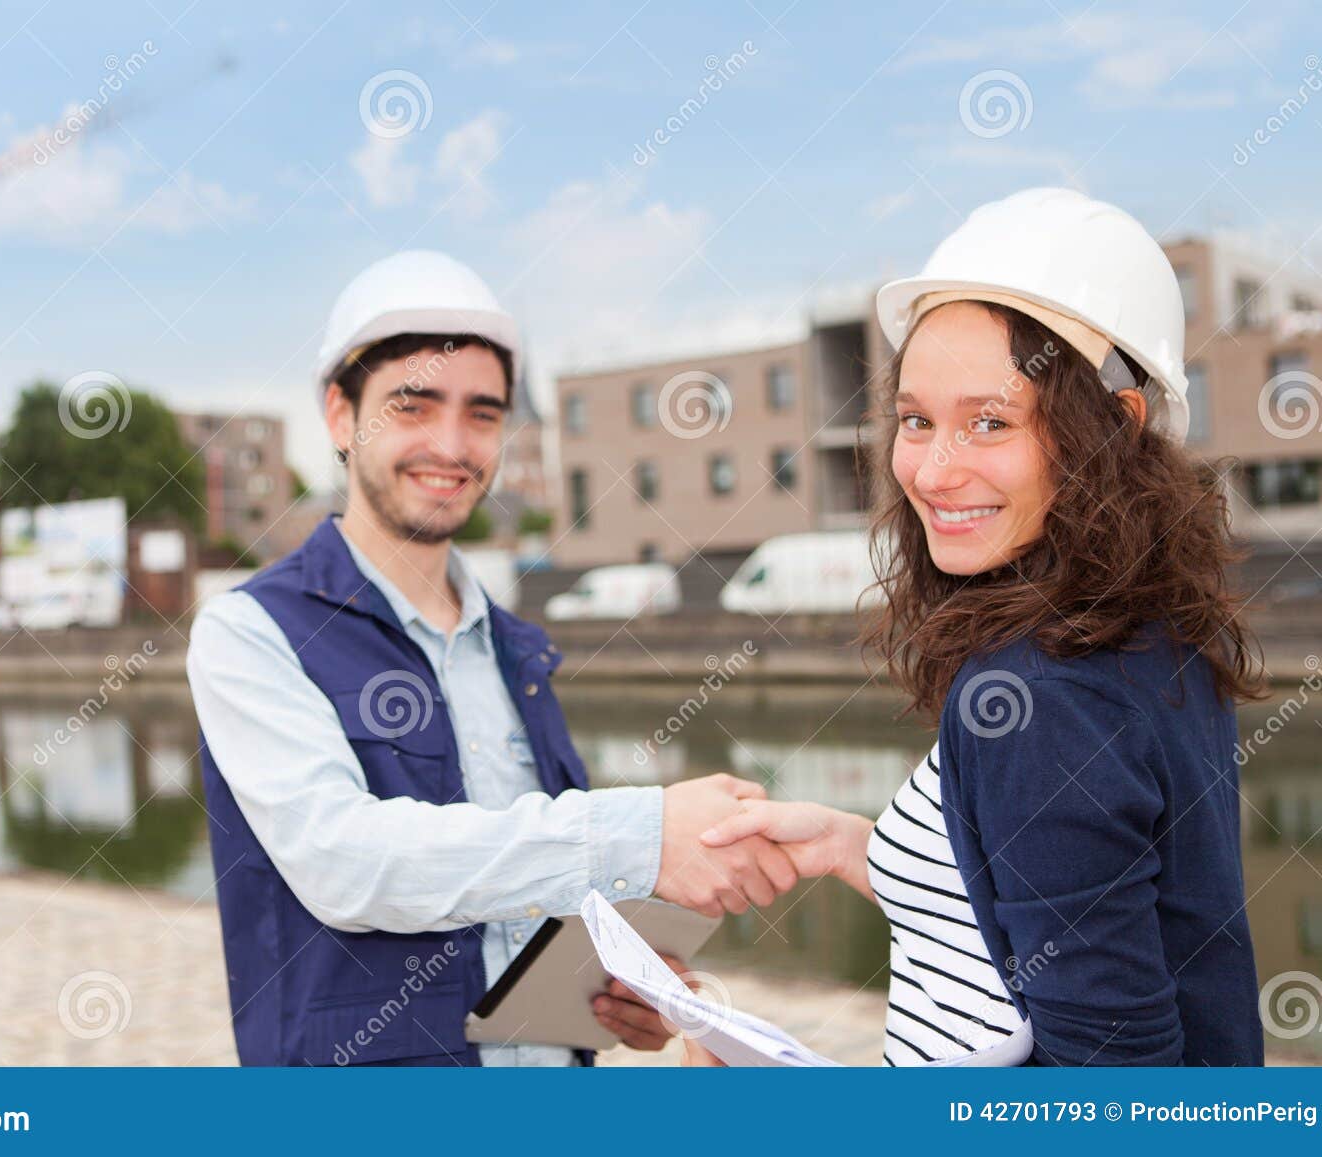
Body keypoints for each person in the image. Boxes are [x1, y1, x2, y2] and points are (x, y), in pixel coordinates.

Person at [696, 188, 1266, 1066]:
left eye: (989, 422)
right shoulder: (1156, 637)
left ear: (1112, 431)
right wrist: (867, 847)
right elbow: (1068, 901)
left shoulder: (1040, 698)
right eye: (918, 419)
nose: (931, 468)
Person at [188, 250, 798, 1066]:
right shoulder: (249, 633)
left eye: (482, 413)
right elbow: (346, 862)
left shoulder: (518, 648)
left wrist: (616, 982)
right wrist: (644, 833)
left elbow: (524, 881)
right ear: (340, 415)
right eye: (414, 405)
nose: (452, 443)